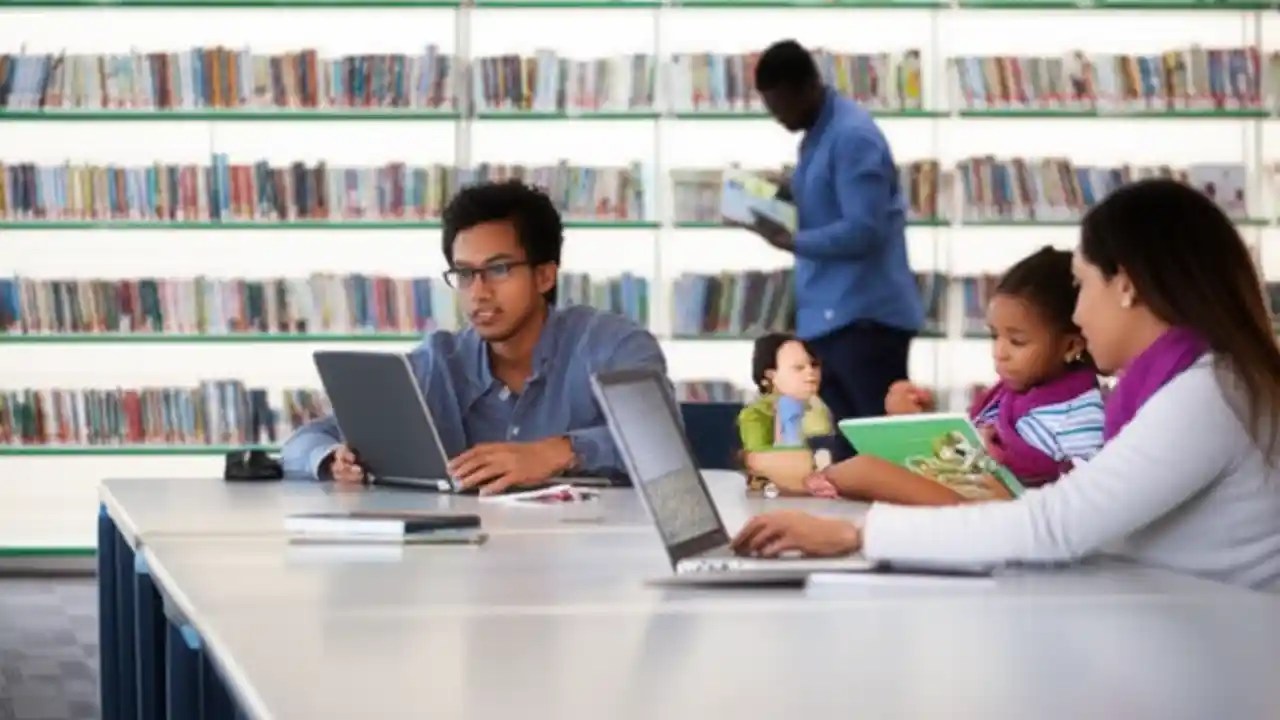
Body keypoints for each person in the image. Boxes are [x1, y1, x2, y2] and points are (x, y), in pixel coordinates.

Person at [731, 178, 1280, 591]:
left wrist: (857, 535)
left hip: (1214, 649)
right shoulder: (1196, 382)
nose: (1079, 313)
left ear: (1127, 287)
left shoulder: (1208, 396)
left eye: (1080, 285)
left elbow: (1058, 525)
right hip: (1181, 620)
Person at [281, 179, 673, 494]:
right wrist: (333, 458)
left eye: (499, 270)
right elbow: (304, 442)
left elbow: (664, 443)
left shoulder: (613, 346)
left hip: (602, 563)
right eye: (465, 274)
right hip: (469, 566)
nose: (479, 292)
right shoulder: (438, 362)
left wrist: (558, 453)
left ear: (545, 275)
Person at [738, 39, 925, 461]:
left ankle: (885, 526)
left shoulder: (852, 137)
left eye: (782, 106)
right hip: (832, 317)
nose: (778, 118)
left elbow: (864, 229)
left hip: (864, 319)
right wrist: (780, 193)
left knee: (880, 444)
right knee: (844, 445)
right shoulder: (817, 133)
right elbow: (828, 200)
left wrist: (792, 242)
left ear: (808, 87)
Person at [805, 247, 1104, 505]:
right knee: (863, 470)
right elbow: (959, 451)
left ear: (1070, 345)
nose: (999, 352)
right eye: (994, 336)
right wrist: (913, 421)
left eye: (1017, 341)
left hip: (1008, 519)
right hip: (971, 509)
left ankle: (834, 479)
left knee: (864, 472)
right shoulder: (1004, 399)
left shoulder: (1079, 415)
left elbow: (1080, 503)